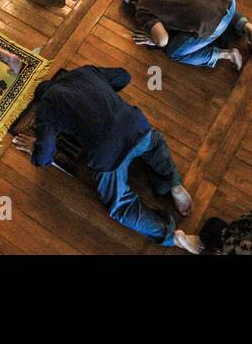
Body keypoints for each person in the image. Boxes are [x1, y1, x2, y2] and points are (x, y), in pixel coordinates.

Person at [13, 65, 193, 244]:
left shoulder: (46, 106)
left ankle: (171, 236)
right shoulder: (83, 72)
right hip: (136, 126)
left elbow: (44, 156)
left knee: (120, 204)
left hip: (106, 154)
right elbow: (124, 75)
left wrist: (35, 149)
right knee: (154, 146)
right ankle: (173, 184)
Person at [120, 0, 252, 70]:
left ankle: (227, 54)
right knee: (215, 6)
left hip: (214, 25)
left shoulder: (142, 9)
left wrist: (153, 39)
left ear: (133, 3)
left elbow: (163, 40)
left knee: (174, 53)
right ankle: (248, 28)